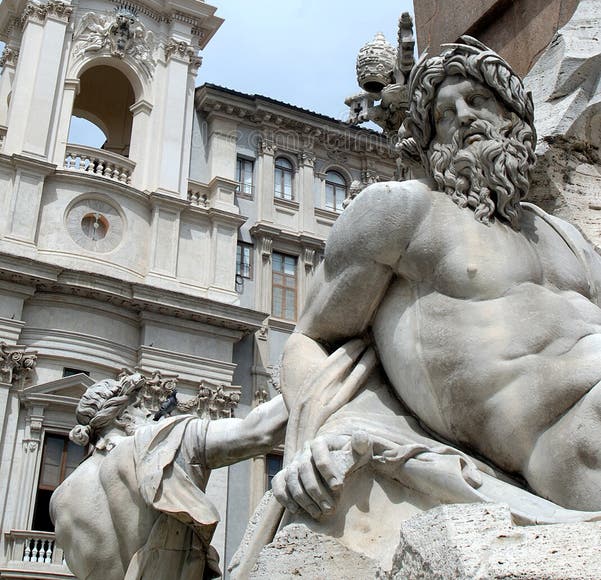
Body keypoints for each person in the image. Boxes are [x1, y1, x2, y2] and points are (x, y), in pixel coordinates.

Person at [274, 37, 601, 525]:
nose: (465, 117)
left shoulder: (564, 235)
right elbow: (308, 338)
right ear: (429, 144)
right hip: (567, 434)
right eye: (445, 115)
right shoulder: (403, 210)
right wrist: (318, 432)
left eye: (478, 100)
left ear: (513, 116)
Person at [50, 372, 287, 580]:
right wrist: (315, 376)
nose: (150, 412)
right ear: (123, 416)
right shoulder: (162, 445)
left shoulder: (61, 498)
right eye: (141, 405)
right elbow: (258, 432)